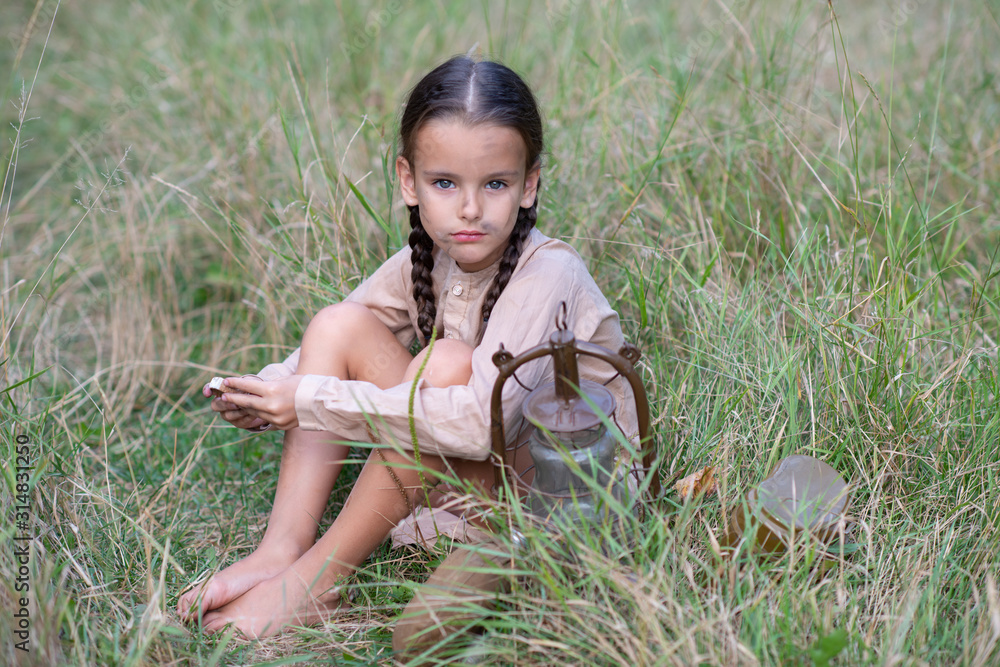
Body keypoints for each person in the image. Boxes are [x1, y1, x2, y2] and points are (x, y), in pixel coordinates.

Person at [177, 55, 638, 638]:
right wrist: (270, 390)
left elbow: (475, 424)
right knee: (338, 324)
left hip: (558, 500)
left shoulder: (550, 273)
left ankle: (319, 582)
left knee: (444, 365)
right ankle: (280, 550)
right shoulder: (436, 257)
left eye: (495, 184)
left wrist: (311, 401)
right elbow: (341, 337)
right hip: (487, 471)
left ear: (530, 184)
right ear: (408, 181)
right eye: (445, 183)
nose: (469, 208)